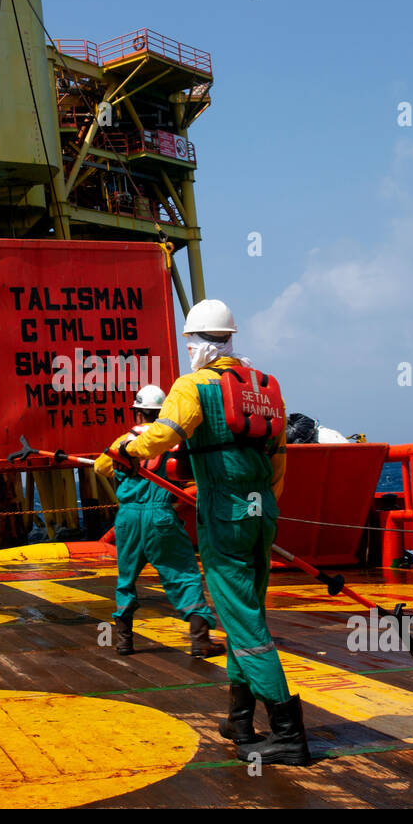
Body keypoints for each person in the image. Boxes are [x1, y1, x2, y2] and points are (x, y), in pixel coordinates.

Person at [96, 299, 309, 766]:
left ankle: (289, 733)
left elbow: (162, 435)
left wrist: (124, 445)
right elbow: (278, 457)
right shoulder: (266, 387)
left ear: (196, 344)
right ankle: (239, 718)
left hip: (225, 516)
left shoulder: (192, 386)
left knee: (247, 623)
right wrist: (262, 506)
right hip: (261, 512)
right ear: (230, 338)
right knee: (243, 612)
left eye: (190, 342)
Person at [94, 385, 222, 659]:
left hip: (128, 518)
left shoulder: (124, 441)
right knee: (184, 575)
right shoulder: (175, 441)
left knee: (126, 579)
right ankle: (200, 640)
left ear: (138, 413)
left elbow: (100, 467)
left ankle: (124, 642)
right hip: (161, 516)